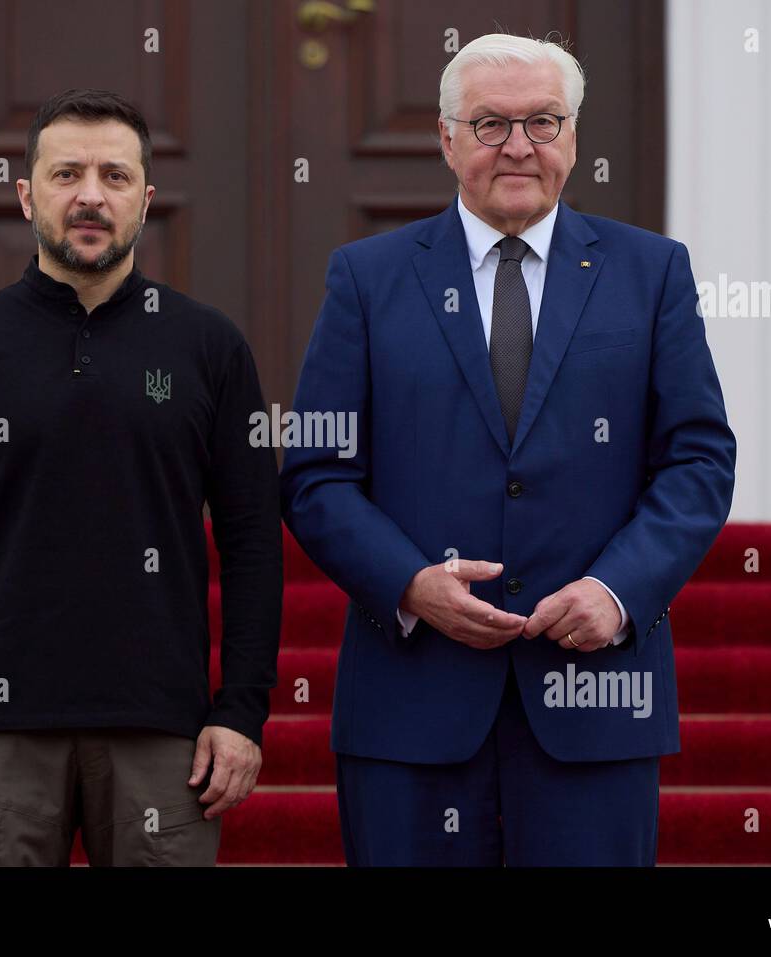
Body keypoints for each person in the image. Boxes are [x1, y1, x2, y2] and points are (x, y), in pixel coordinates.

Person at [280, 34, 737, 865]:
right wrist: (411, 583)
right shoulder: (367, 277)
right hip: (411, 700)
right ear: (447, 140)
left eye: (542, 121)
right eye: (490, 124)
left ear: (574, 138)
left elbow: (698, 460)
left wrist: (617, 589)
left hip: (595, 692)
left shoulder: (652, 272)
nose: (518, 146)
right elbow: (317, 472)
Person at [0, 88, 282, 866]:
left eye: (115, 176)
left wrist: (241, 710)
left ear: (145, 198)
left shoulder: (210, 348)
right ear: (28, 193)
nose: (91, 195)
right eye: (67, 174)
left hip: (164, 733)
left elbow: (253, 542)